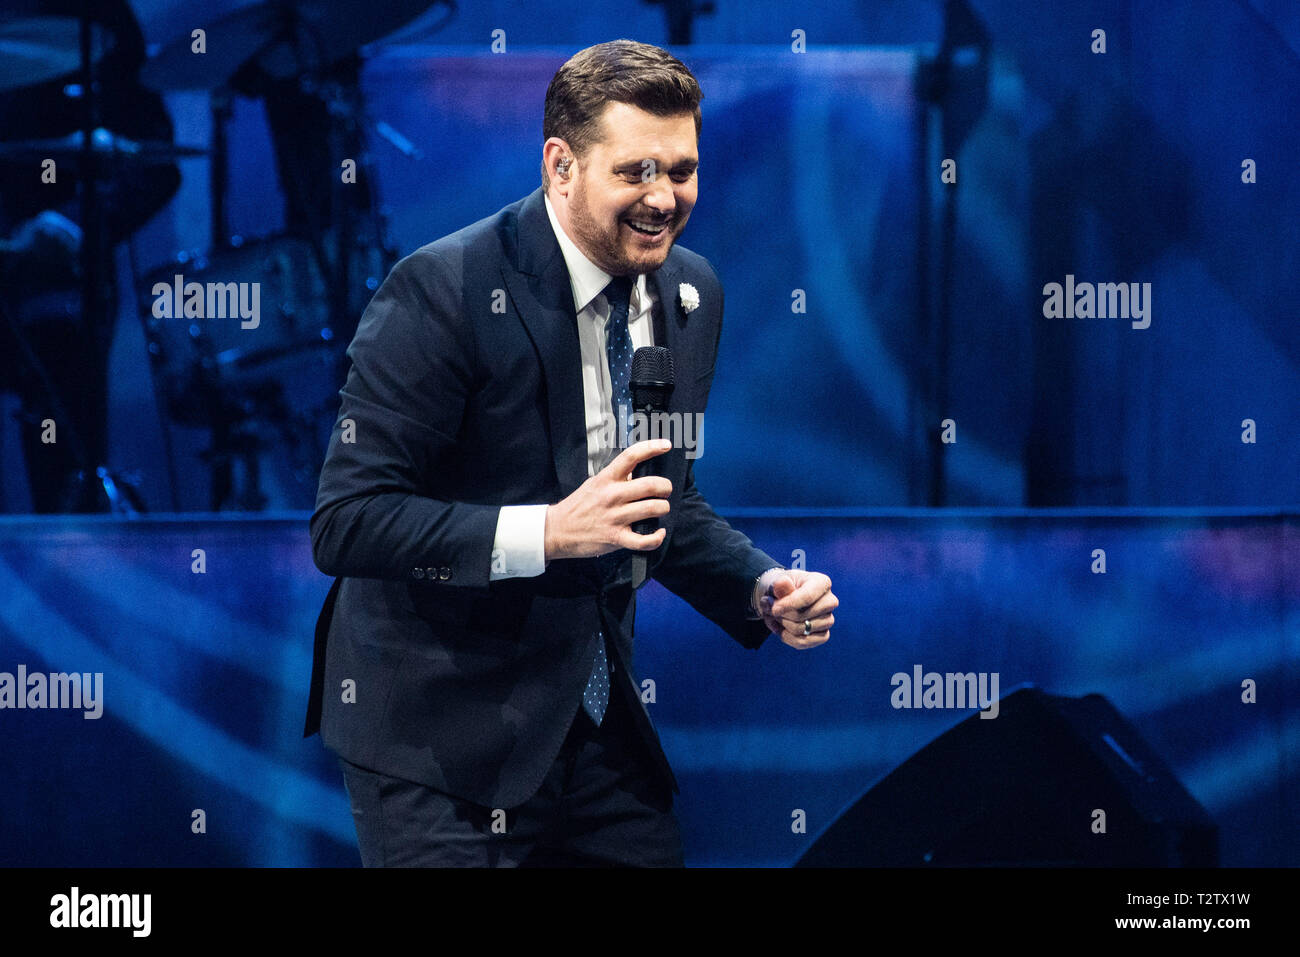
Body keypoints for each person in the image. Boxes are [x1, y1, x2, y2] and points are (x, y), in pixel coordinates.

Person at [306, 39, 838, 867]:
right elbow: (349, 521)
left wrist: (757, 584)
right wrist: (548, 532)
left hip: (592, 722)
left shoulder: (690, 292)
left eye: (681, 169)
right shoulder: (440, 291)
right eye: (635, 172)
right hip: (438, 734)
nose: (663, 198)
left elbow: (663, 503)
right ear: (560, 166)